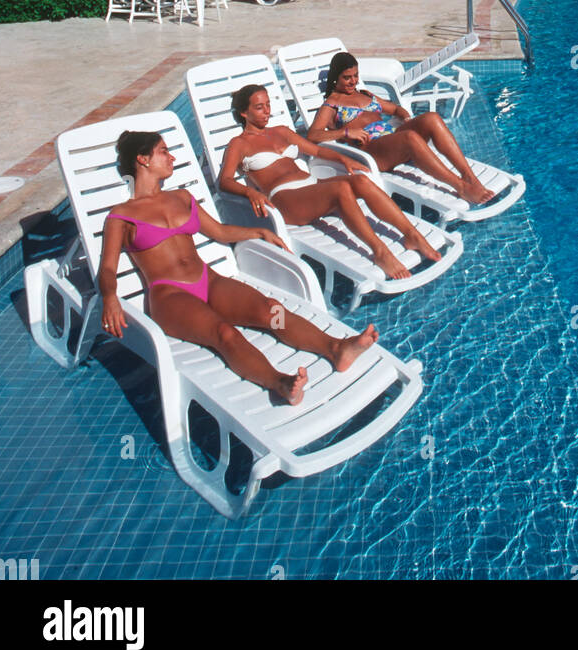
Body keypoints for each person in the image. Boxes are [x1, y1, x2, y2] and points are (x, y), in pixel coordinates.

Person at [98, 131, 378, 405]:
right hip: (170, 296)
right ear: (143, 159)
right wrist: (110, 297)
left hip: (208, 280)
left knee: (271, 310)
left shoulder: (182, 198)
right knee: (224, 333)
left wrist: (258, 233)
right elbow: (108, 269)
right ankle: (279, 382)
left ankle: (336, 348)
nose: (171, 157)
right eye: (163, 151)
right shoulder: (121, 216)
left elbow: (219, 232)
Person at [219, 85, 441, 279]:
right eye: (259, 107)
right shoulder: (239, 144)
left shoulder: (281, 131)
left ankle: (412, 235)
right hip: (286, 199)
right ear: (244, 113)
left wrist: (344, 159)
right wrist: (250, 193)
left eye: (268, 105)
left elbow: (315, 149)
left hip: (311, 186)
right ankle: (380, 252)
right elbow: (225, 181)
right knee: (340, 187)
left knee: (361, 181)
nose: (267, 111)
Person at [307, 52, 495, 207]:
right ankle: (461, 187)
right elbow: (313, 135)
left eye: (355, 76)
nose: (352, 81)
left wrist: (406, 118)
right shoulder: (331, 105)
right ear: (335, 78)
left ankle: (469, 176)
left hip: (392, 140)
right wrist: (345, 133)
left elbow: (395, 108)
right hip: (372, 151)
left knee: (432, 118)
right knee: (409, 137)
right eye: (346, 78)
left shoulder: (365, 94)